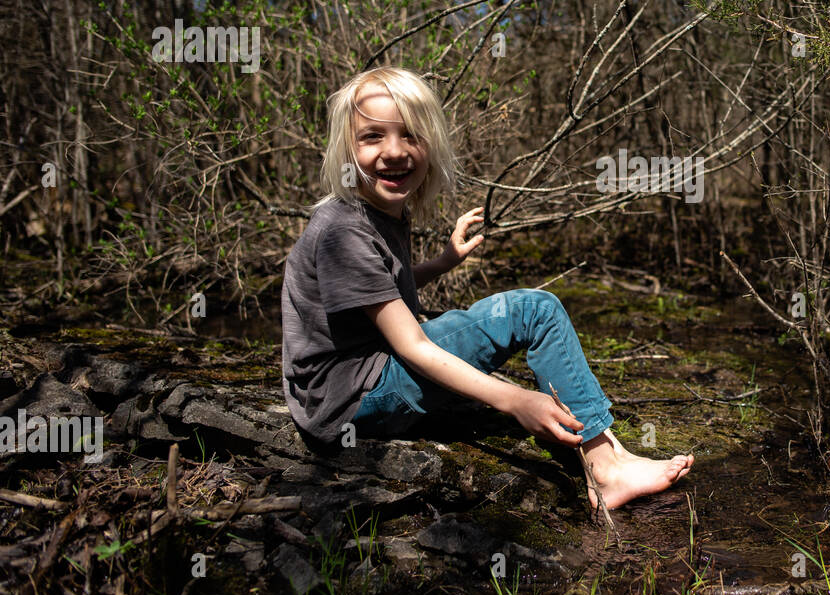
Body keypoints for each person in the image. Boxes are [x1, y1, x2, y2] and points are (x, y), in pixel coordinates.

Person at [281, 65, 693, 510]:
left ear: (430, 143)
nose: (394, 152)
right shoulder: (343, 230)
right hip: (352, 399)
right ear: (345, 147)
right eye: (372, 136)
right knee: (534, 310)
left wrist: (443, 262)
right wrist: (515, 399)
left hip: (353, 385)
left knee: (523, 317)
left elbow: (379, 293)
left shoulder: (381, 211)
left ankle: (614, 454)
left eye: (410, 135)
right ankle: (606, 473)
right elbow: (413, 345)